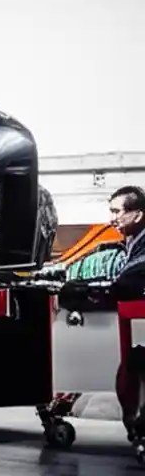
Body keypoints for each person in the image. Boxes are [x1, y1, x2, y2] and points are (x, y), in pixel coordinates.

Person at [109, 186, 145, 441]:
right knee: (131, 364)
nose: (111, 218)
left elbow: (127, 280)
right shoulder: (131, 243)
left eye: (116, 211)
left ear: (138, 214)